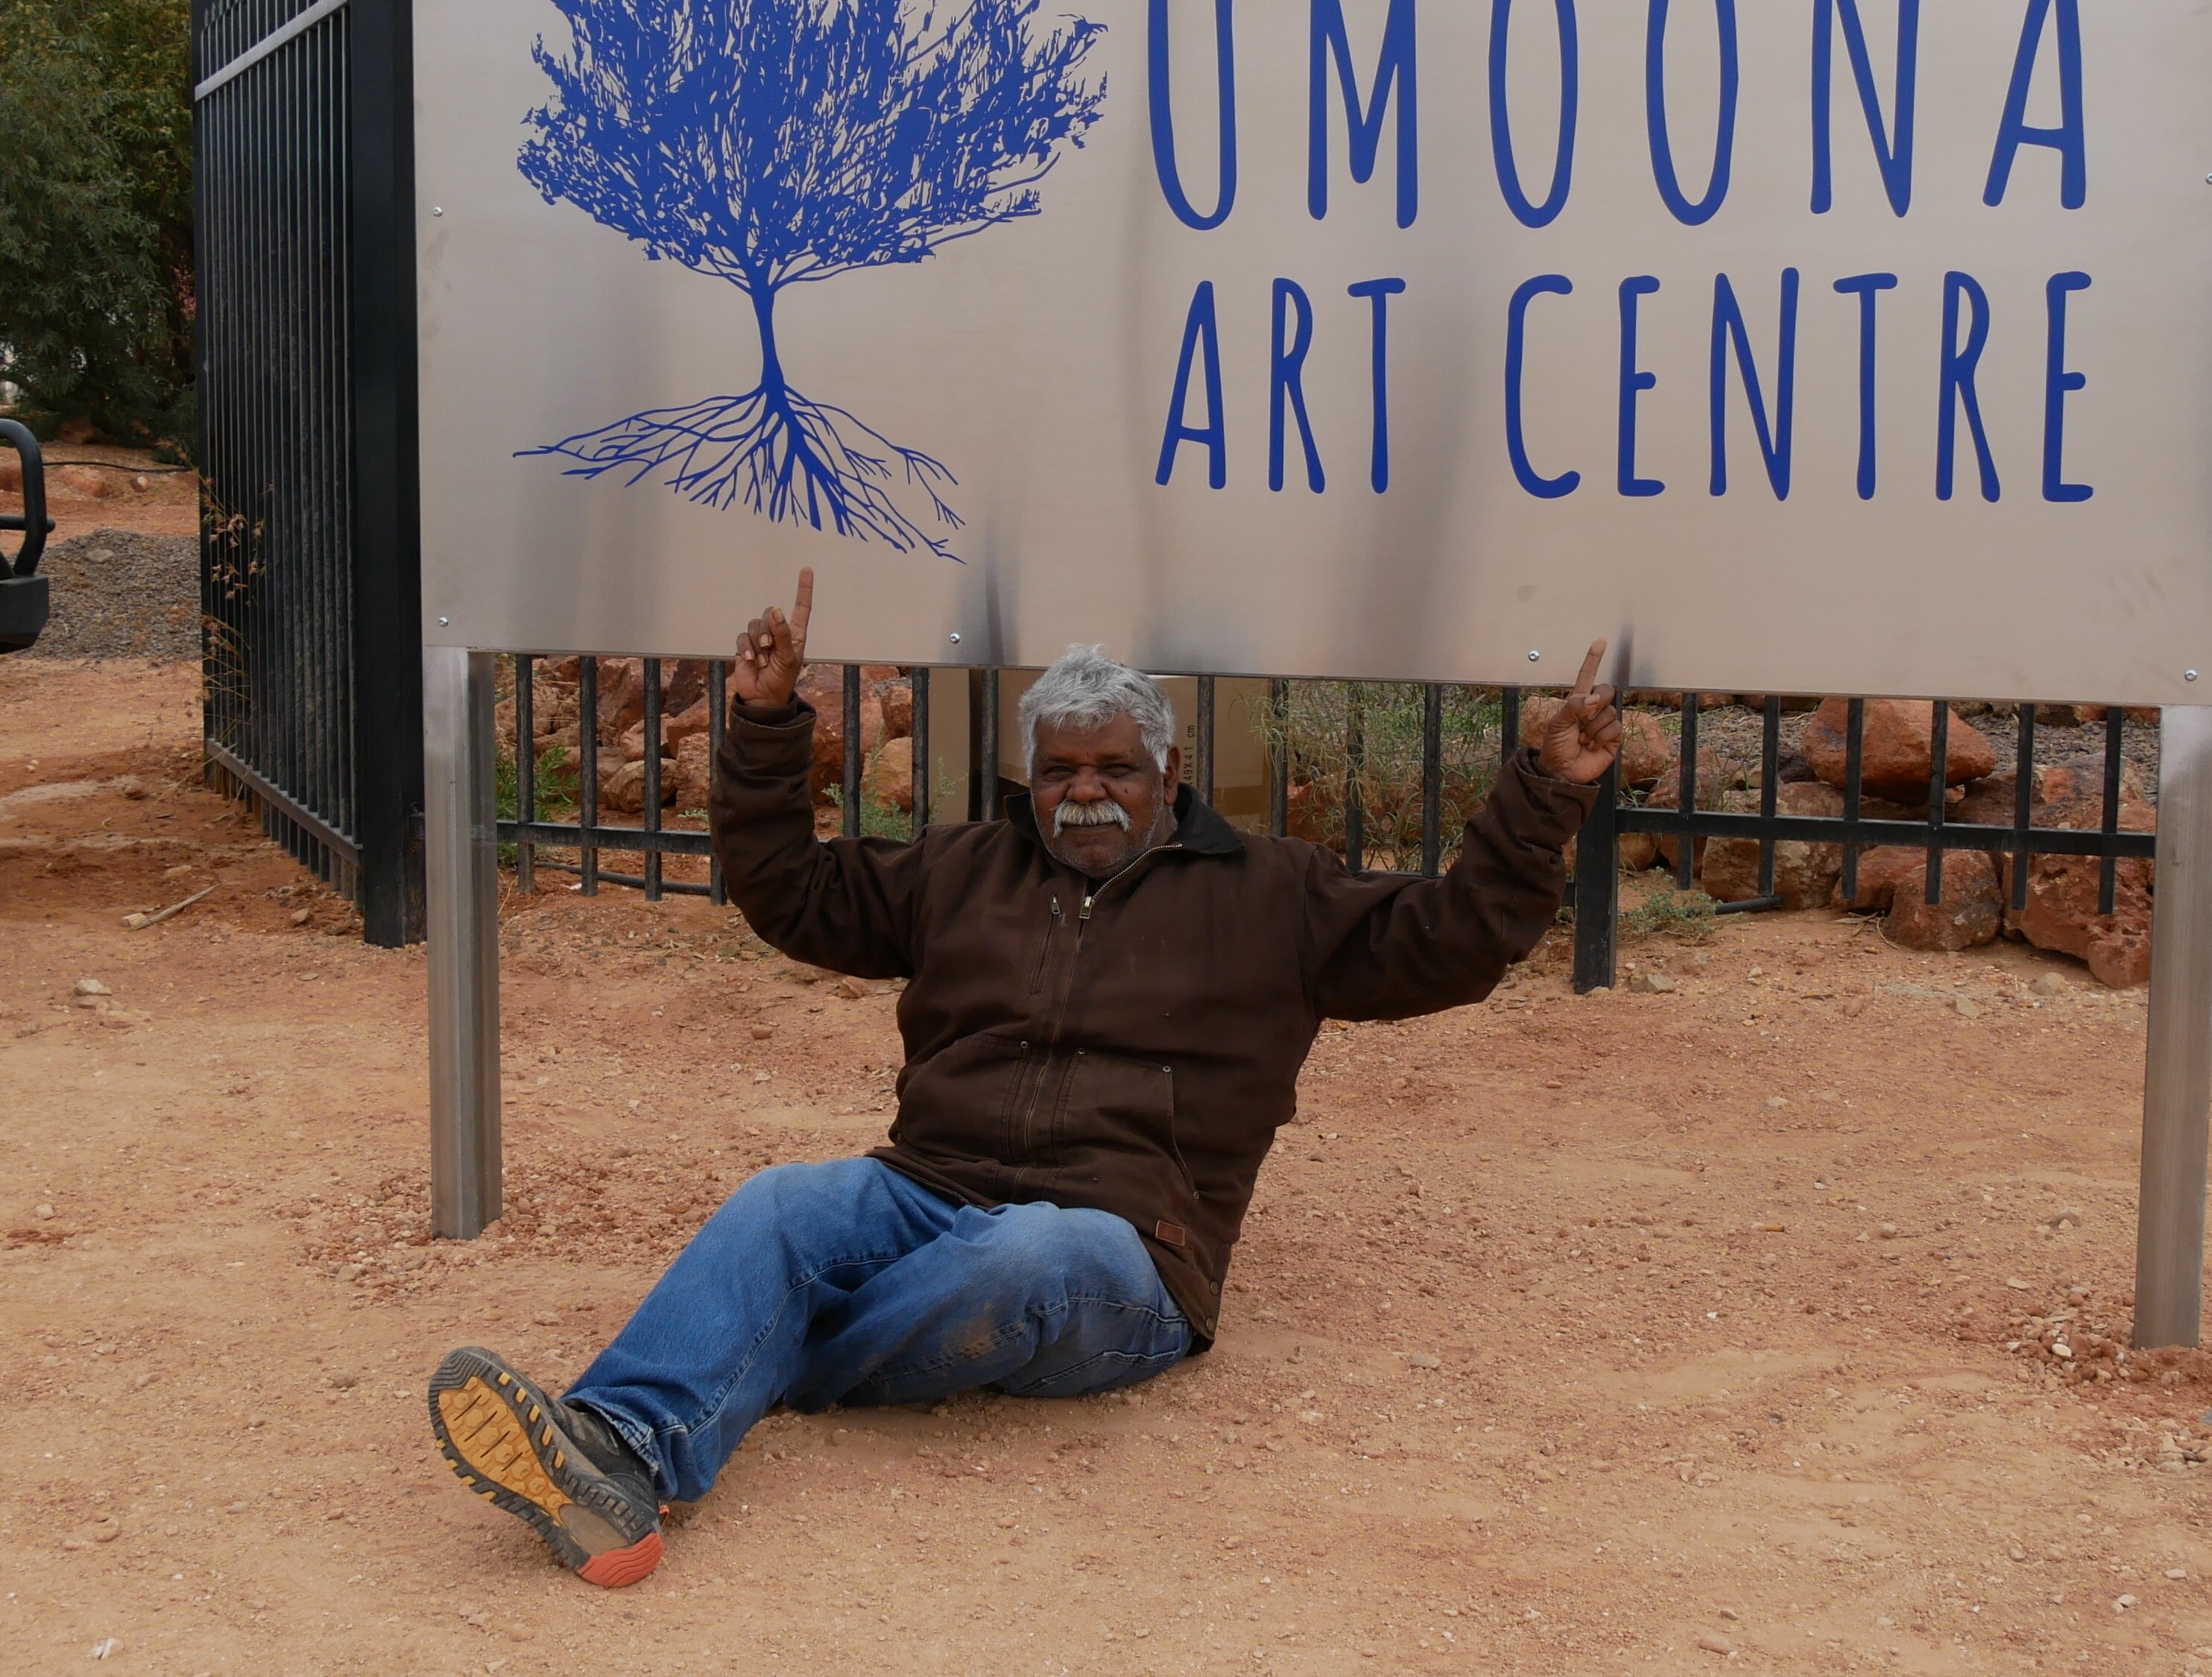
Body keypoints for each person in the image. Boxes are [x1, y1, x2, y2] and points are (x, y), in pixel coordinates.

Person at [427, 567, 1621, 1585]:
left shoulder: (1276, 894)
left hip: (1125, 1251)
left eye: (1113, 768)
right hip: (931, 1183)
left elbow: (1455, 939)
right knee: (783, 1203)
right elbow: (791, 892)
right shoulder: (964, 869)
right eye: (1059, 770)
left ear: (1165, 772)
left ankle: (767, 1351)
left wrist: (1545, 794)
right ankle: (616, 1451)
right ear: (1032, 772)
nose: (1084, 793)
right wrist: (766, 723)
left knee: (1029, 1254)